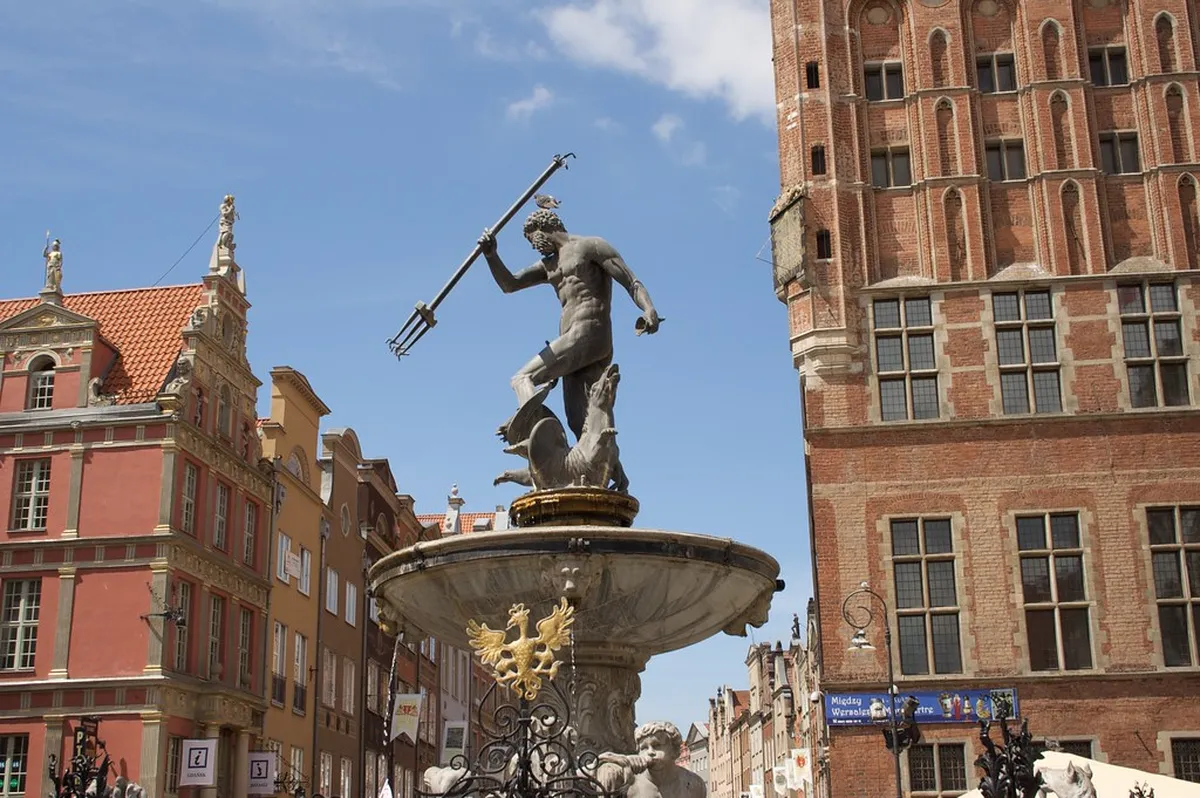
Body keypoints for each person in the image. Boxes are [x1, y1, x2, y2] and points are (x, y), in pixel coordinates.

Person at [478, 207, 661, 456]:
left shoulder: (591, 246)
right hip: (574, 342)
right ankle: (613, 472)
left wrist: (648, 308)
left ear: (542, 227)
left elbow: (630, 280)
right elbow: (509, 284)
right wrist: (491, 255)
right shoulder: (549, 265)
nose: (533, 246)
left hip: (590, 332)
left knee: (522, 378)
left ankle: (535, 433)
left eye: (532, 239)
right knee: (581, 422)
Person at [596, 722, 706, 798]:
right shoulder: (629, 781)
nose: (650, 752)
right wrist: (618, 761)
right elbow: (581, 773)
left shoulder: (694, 784)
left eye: (657, 745)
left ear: (675, 750)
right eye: (644, 748)